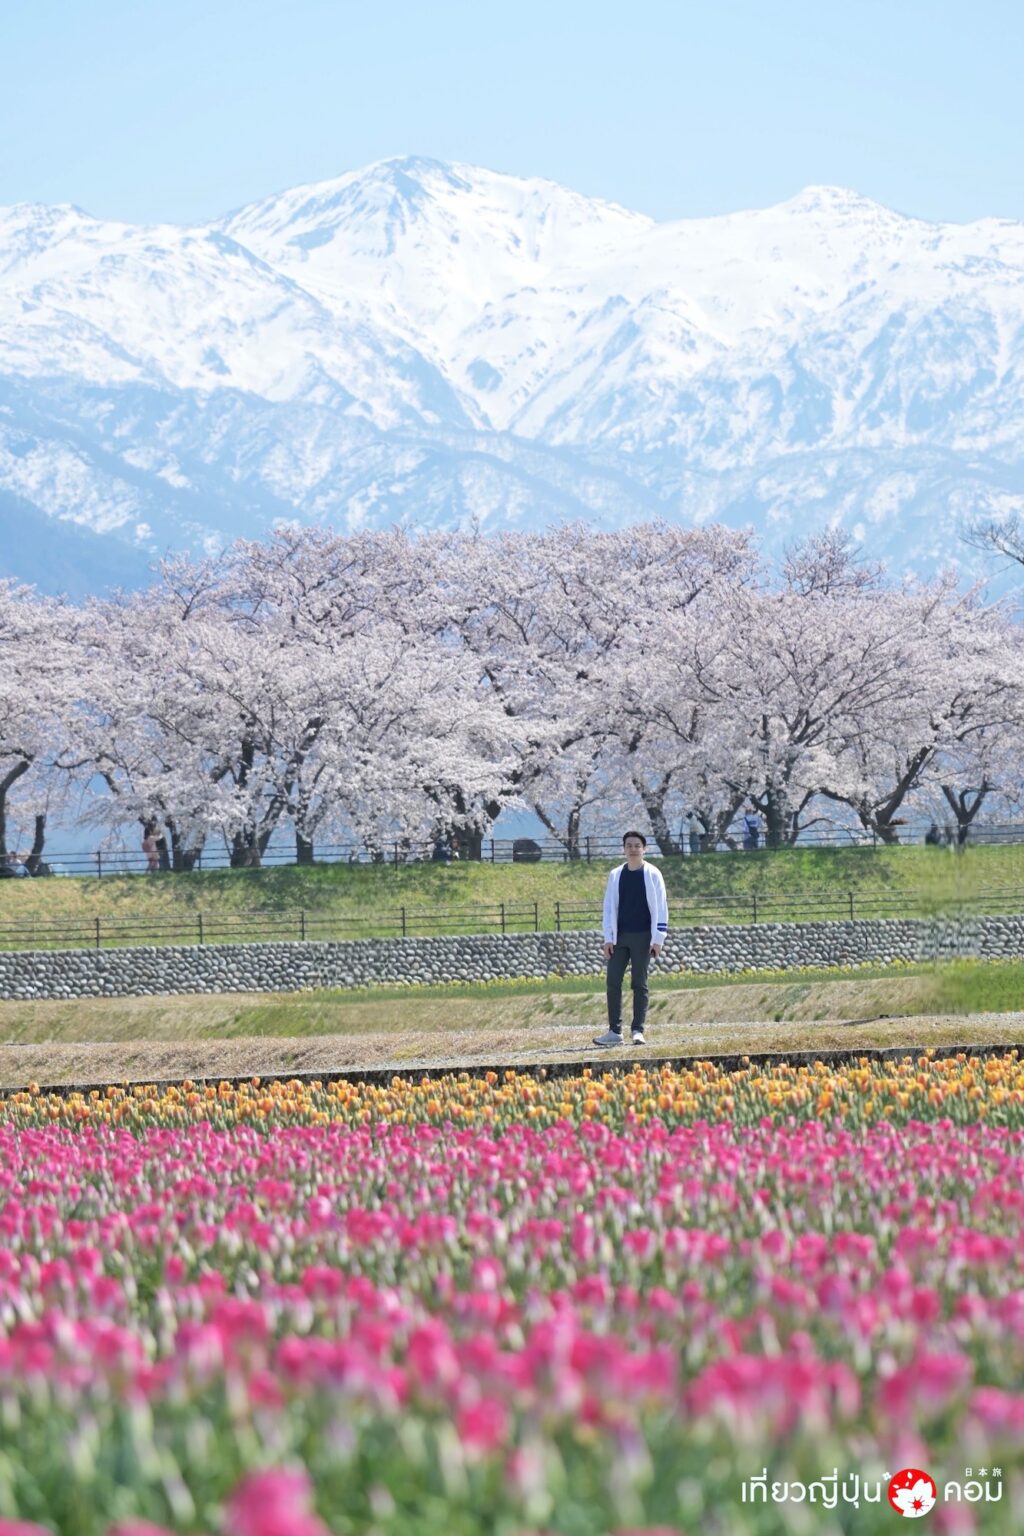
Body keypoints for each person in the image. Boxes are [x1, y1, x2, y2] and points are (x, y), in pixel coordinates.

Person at [593, 831, 669, 1049]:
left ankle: (638, 1030)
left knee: (639, 983)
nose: (633, 849)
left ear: (644, 849)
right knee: (613, 981)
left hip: (644, 936)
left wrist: (658, 939)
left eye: (637, 845)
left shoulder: (653, 873)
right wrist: (608, 938)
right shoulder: (616, 874)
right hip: (620, 937)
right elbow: (609, 908)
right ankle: (614, 1031)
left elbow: (662, 907)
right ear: (624, 849)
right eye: (629, 845)